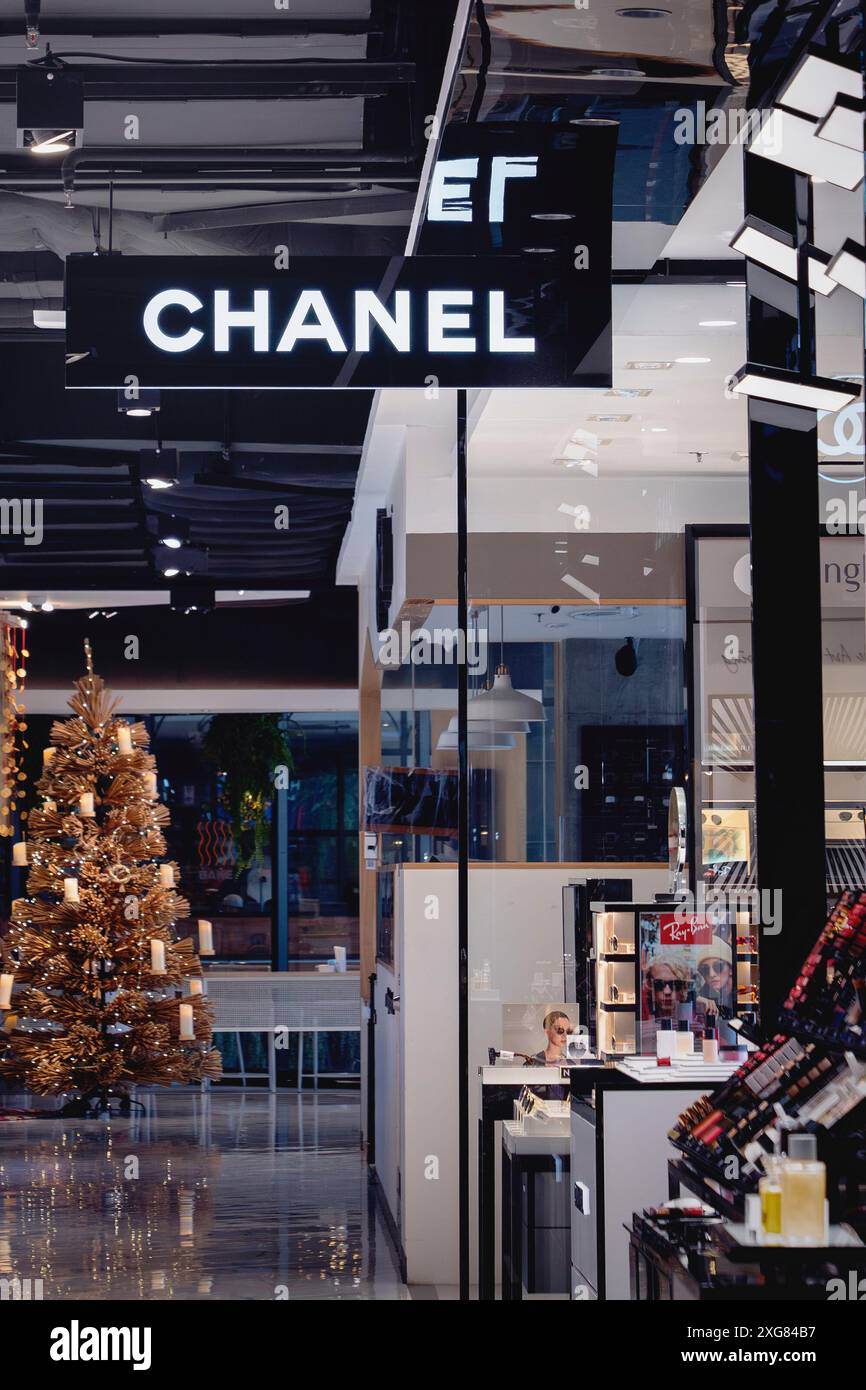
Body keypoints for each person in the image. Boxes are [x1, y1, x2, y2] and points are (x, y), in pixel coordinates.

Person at [643, 955, 691, 1021]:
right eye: (659, 984)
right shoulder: (642, 1009)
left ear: (684, 987)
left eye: (675, 984)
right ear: (650, 985)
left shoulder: (694, 1010)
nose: (667, 991)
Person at [696, 936, 734, 1017]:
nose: (711, 974)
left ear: (730, 969)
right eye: (705, 969)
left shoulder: (741, 995)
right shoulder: (704, 996)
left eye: (718, 966)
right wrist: (696, 1000)